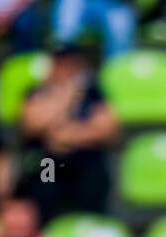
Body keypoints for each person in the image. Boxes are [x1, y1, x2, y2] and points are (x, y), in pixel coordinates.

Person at [17, 43, 120, 225]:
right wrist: (66, 95)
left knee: (95, 175)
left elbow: (108, 129)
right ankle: (44, 228)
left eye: (68, 63)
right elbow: (33, 125)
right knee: (45, 176)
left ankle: (92, 228)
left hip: (83, 160)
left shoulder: (94, 93)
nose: (63, 68)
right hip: (48, 161)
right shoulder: (36, 92)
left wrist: (69, 136)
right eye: (58, 63)